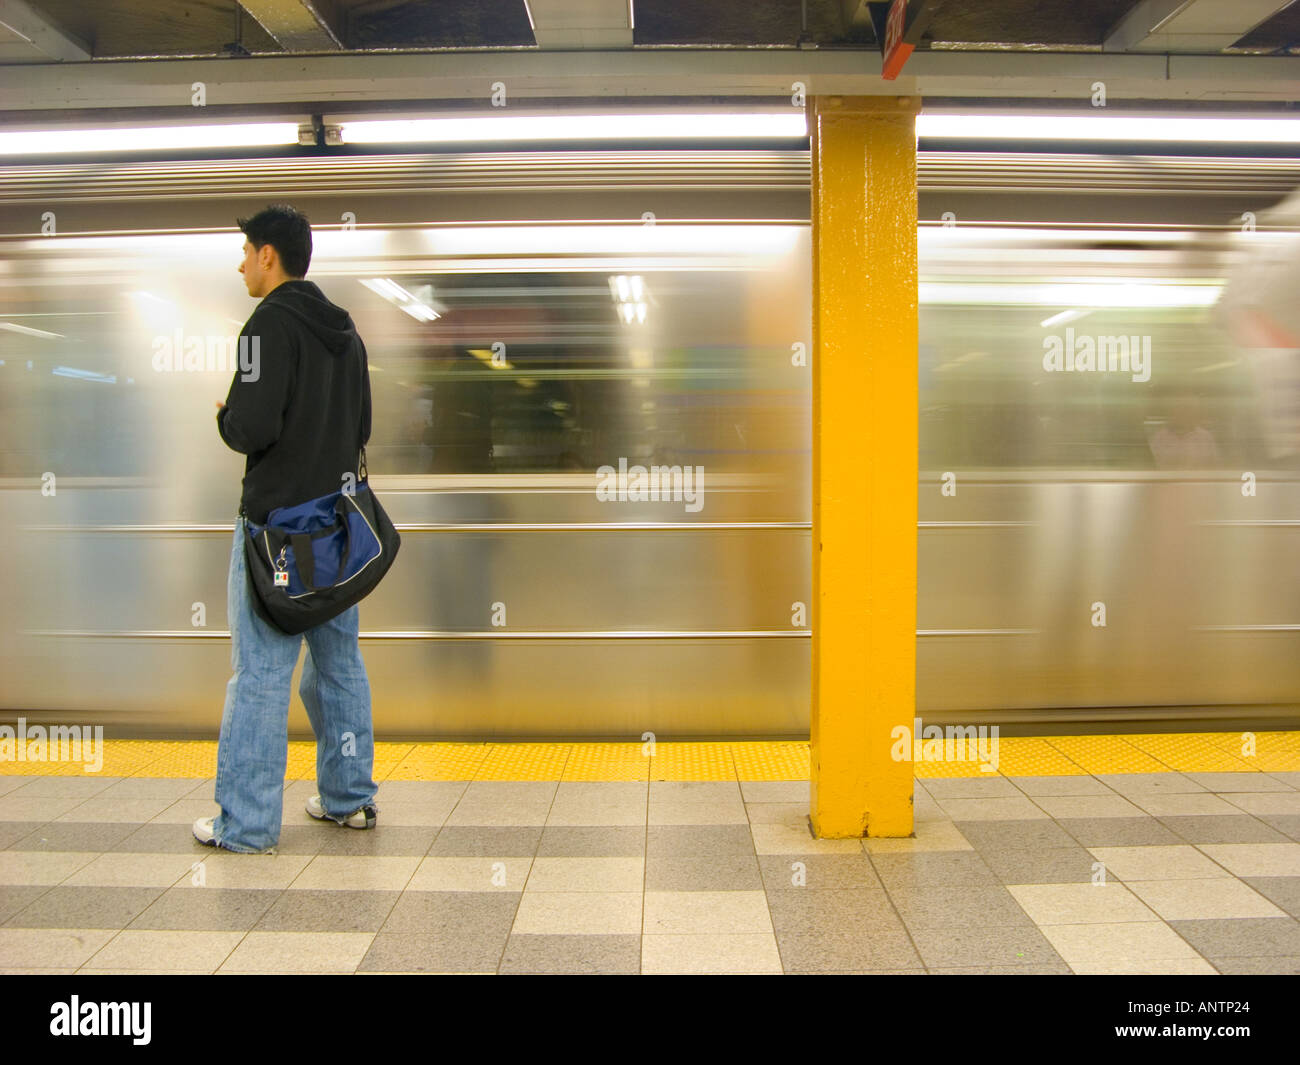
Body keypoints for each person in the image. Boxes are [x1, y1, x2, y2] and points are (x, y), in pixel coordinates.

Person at [193, 204, 378, 853]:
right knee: (337, 665)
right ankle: (349, 799)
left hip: (274, 533)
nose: (241, 263)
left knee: (262, 674)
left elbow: (252, 427)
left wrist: (225, 416)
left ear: (269, 255)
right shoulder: (347, 332)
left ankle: (244, 824)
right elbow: (362, 428)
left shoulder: (261, 327)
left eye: (246, 251)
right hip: (333, 531)